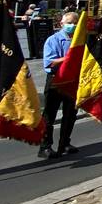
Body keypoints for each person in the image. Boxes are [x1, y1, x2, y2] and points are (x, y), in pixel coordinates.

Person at [39, 11, 80, 159]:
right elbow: (49, 62)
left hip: (73, 80)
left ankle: (65, 142)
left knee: (70, 114)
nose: (72, 26)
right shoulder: (53, 39)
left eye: (75, 23)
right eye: (69, 23)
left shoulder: (79, 40)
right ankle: (45, 146)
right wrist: (69, 58)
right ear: (61, 24)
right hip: (56, 80)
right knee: (49, 114)